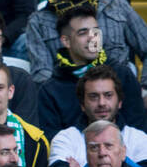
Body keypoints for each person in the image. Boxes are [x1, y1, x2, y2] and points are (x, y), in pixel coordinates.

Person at [26, 0, 147, 88]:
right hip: (68, 101)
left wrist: (145, 88)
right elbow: (42, 77)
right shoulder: (38, 22)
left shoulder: (117, 6)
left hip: (120, 94)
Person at [37, 9, 147, 138]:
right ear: (66, 41)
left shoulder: (122, 75)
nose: (92, 38)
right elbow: (52, 140)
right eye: (83, 33)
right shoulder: (50, 90)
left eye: (95, 32)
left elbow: (138, 127)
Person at [50, 66, 147, 167]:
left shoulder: (139, 139)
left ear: (119, 102)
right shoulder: (65, 138)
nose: (101, 103)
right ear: (82, 105)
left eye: (108, 95)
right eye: (93, 97)